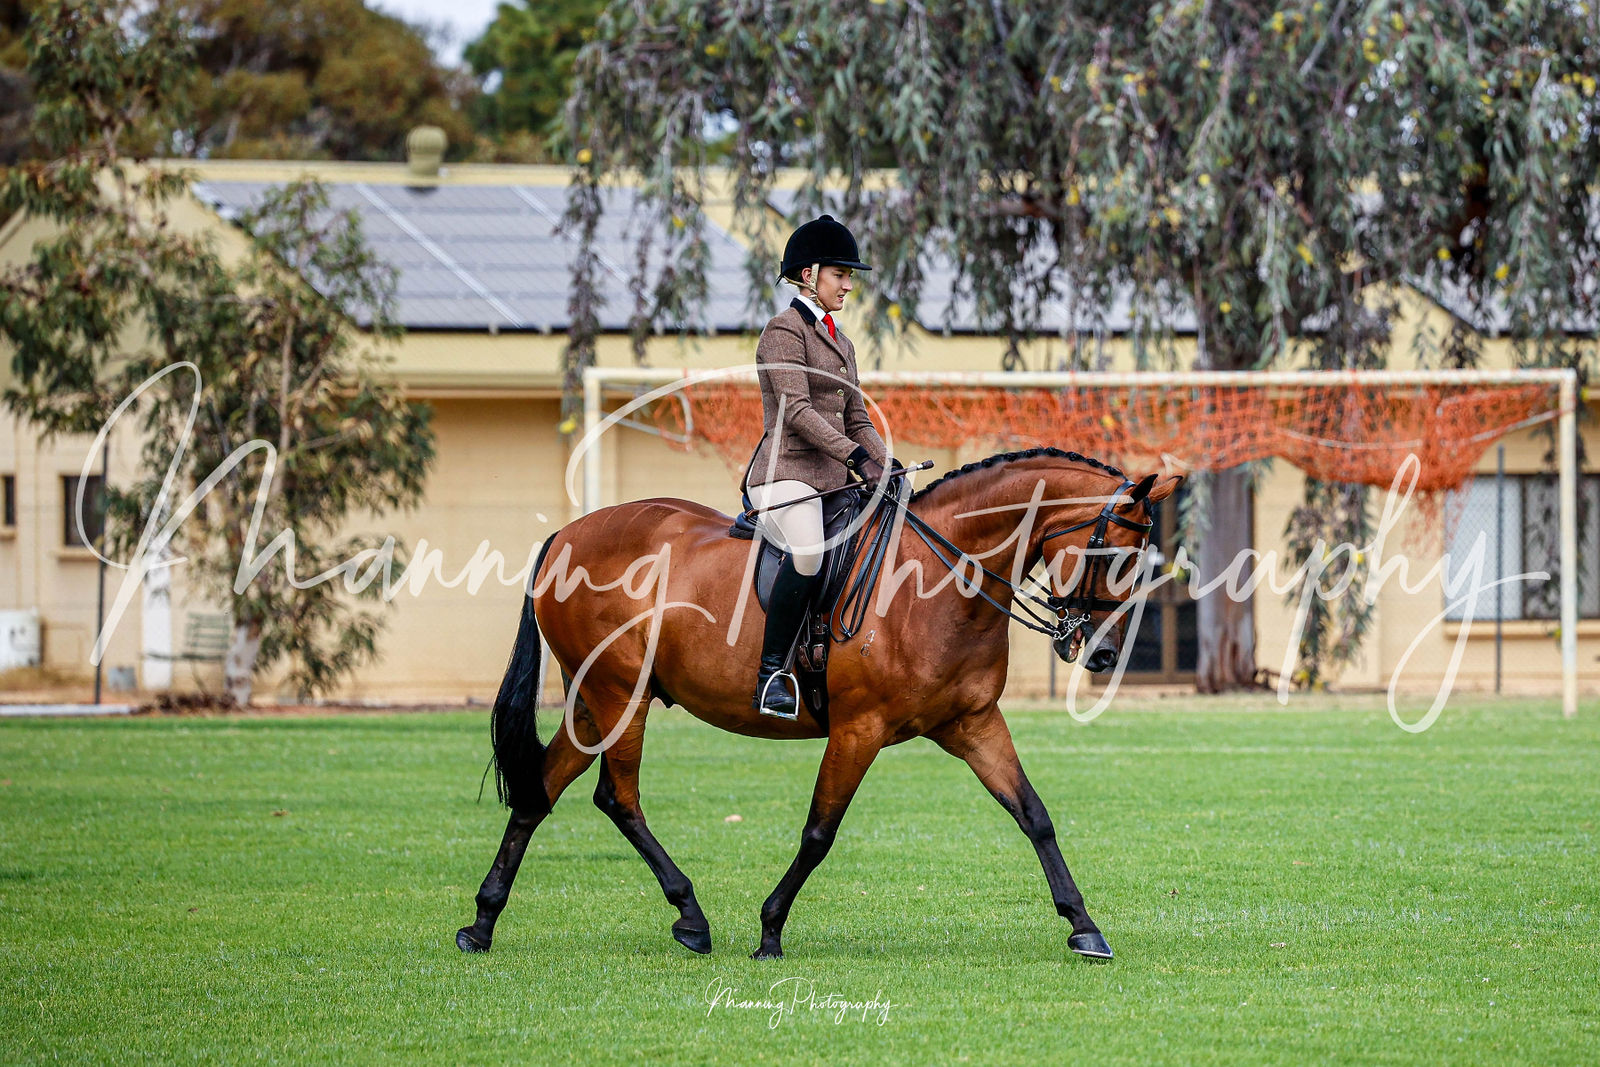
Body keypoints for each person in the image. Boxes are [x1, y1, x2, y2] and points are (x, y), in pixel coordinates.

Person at [741, 214, 892, 719]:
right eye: (840, 275)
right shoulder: (783, 332)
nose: (849, 285)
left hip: (832, 482)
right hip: (784, 474)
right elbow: (798, 412)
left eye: (851, 277)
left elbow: (856, 417)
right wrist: (856, 458)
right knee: (809, 552)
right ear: (809, 275)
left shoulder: (843, 343)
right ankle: (772, 674)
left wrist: (885, 464)